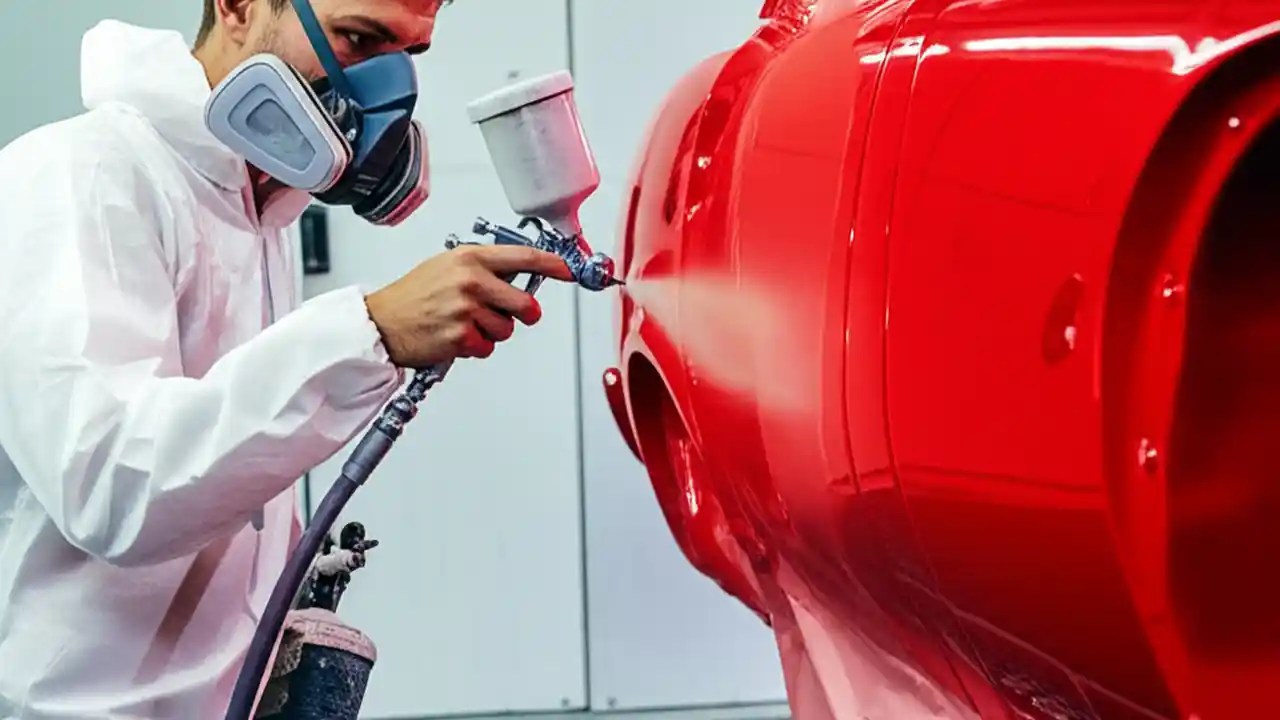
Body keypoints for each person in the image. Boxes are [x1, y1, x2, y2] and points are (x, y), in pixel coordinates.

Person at [0, 1, 573, 717]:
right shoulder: (77, 177)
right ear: (237, 6)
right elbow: (111, 482)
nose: (383, 90)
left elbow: (214, 454)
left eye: (408, 54)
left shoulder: (259, 208)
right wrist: (371, 333)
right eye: (358, 39)